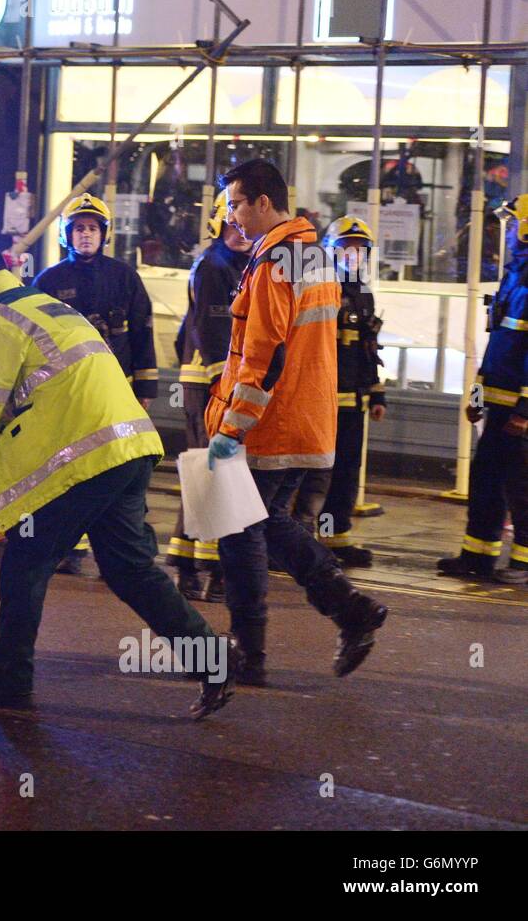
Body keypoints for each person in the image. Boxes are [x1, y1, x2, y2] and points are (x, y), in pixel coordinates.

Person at [0, 240, 235, 719]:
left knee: (25, 565)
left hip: (84, 460)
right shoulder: (44, 307)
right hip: (127, 448)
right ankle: (214, 662)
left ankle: (8, 680)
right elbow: (25, 395)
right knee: (130, 570)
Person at [205, 160, 387, 687]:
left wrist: (230, 429)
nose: (231, 217)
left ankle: (253, 653)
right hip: (305, 420)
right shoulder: (313, 257)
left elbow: (265, 354)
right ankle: (345, 609)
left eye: (236, 205)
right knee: (266, 523)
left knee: (240, 531)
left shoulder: (273, 264)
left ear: (264, 202)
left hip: (269, 426)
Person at [35, 194, 158, 575]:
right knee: (70, 470)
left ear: (104, 234)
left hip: (117, 397)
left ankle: (121, 546)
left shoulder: (124, 277)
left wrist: (146, 391)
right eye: (78, 228)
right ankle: (69, 547)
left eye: (92, 228)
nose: (86, 235)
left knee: (117, 470)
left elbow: (143, 333)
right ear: (66, 235)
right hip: (69, 396)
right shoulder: (49, 282)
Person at [437, 194, 528, 584]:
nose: (505, 232)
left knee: (520, 487)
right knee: (487, 480)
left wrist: (525, 411)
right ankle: (477, 557)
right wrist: (476, 397)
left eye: (512, 224)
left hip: (518, 413)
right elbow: (495, 348)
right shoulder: (514, 275)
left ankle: (524, 563)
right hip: (497, 405)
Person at [166, 198, 250, 600]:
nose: (239, 234)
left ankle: (192, 564)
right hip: (209, 384)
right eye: (231, 227)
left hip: (216, 383)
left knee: (214, 475)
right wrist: (228, 383)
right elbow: (211, 330)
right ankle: (205, 567)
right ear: (218, 226)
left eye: (243, 227)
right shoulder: (214, 267)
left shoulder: (238, 265)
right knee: (213, 474)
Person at [292, 217, 387, 568]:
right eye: (346, 248)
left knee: (346, 471)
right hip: (318, 399)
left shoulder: (363, 294)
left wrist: (376, 395)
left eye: (360, 250)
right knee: (312, 472)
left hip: (353, 401)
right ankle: (298, 539)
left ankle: (334, 538)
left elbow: (369, 348)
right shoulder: (314, 286)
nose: (353, 255)